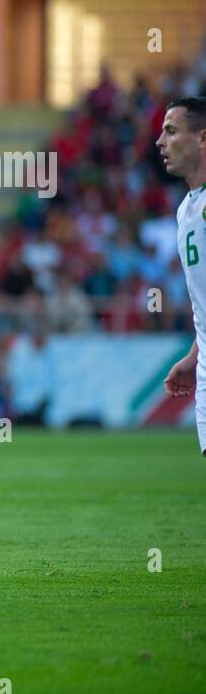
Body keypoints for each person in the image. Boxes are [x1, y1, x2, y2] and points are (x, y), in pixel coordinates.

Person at [158, 97, 206, 455]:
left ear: (202, 138)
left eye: (171, 131)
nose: (160, 142)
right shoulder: (187, 209)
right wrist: (195, 353)